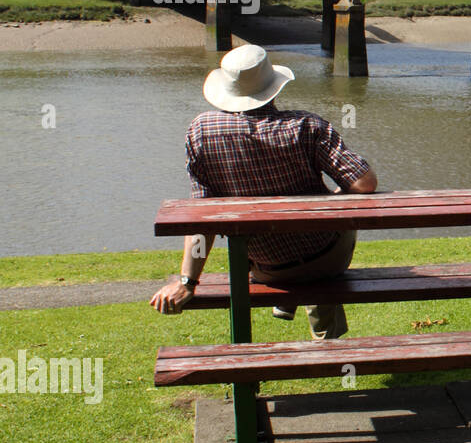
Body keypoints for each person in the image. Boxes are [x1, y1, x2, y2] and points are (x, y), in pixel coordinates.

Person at [149, 44, 377, 339]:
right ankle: (327, 339)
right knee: (337, 216)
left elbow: (202, 216)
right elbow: (364, 184)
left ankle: (287, 299)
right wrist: (330, 199)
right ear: (274, 87)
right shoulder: (306, 126)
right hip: (325, 256)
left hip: (265, 264)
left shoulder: (201, 132)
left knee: (251, 230)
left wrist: (188, 281)